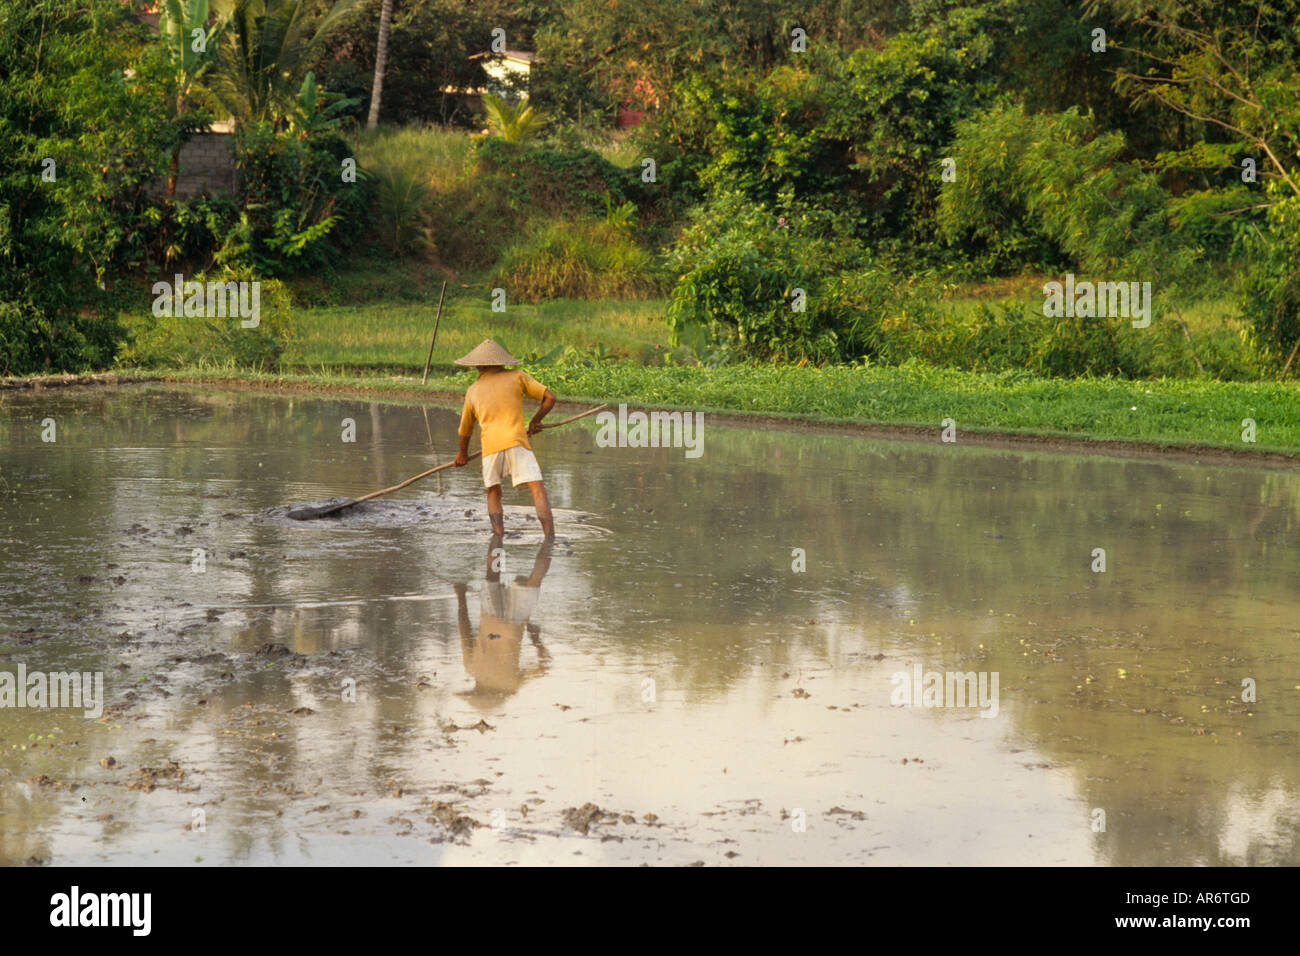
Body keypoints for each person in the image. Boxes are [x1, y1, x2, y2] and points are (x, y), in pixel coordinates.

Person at [451, 339, 557, 537]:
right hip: (517, 442)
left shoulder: (473, 391)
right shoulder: (517, 376)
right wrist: (535, 421)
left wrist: (462, 454)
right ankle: (550, 536)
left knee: (493, 493)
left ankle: (498, 534)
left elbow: (465, 429)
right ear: (501, 362)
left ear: (479, 365)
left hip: (490, 448)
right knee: (537, 489)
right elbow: (550, 398)